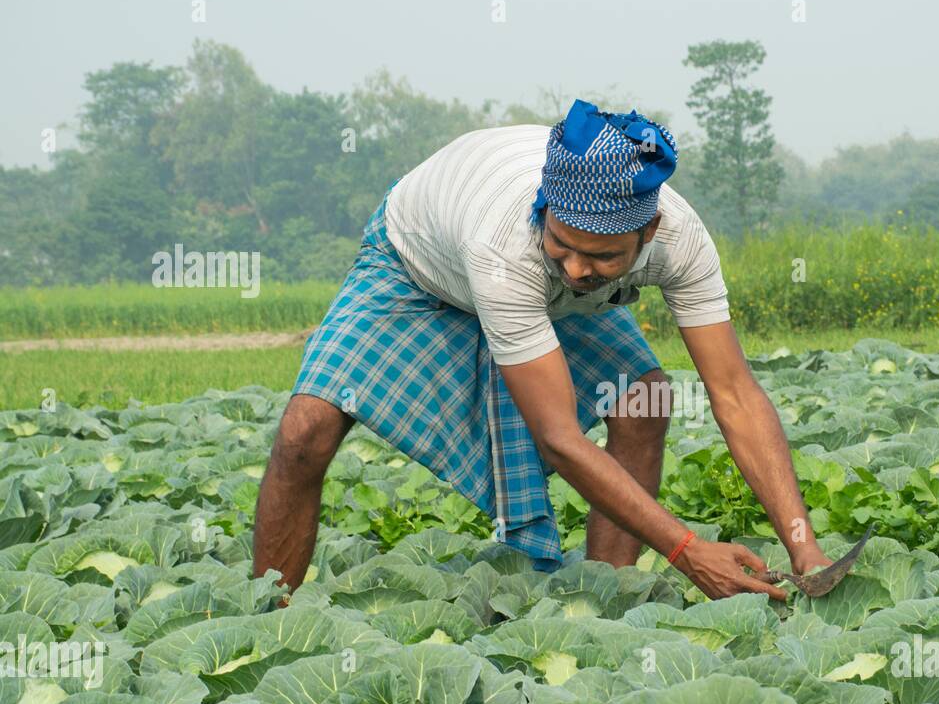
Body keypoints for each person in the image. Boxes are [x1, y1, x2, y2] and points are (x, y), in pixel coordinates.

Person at [252, 98, 832, 600]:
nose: (579, 268)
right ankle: (271, 620)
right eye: (564, 243)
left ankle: (605, 603)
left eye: (604, 257)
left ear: (648, 232)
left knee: (642, 402)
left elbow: (733, 393)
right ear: (545, 211)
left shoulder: (680, 240)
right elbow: (560, 439)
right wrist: (688, 550)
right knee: (307, 429)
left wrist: (804, 547)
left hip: (540, 294)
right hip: (415, 264)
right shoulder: (508, 246)